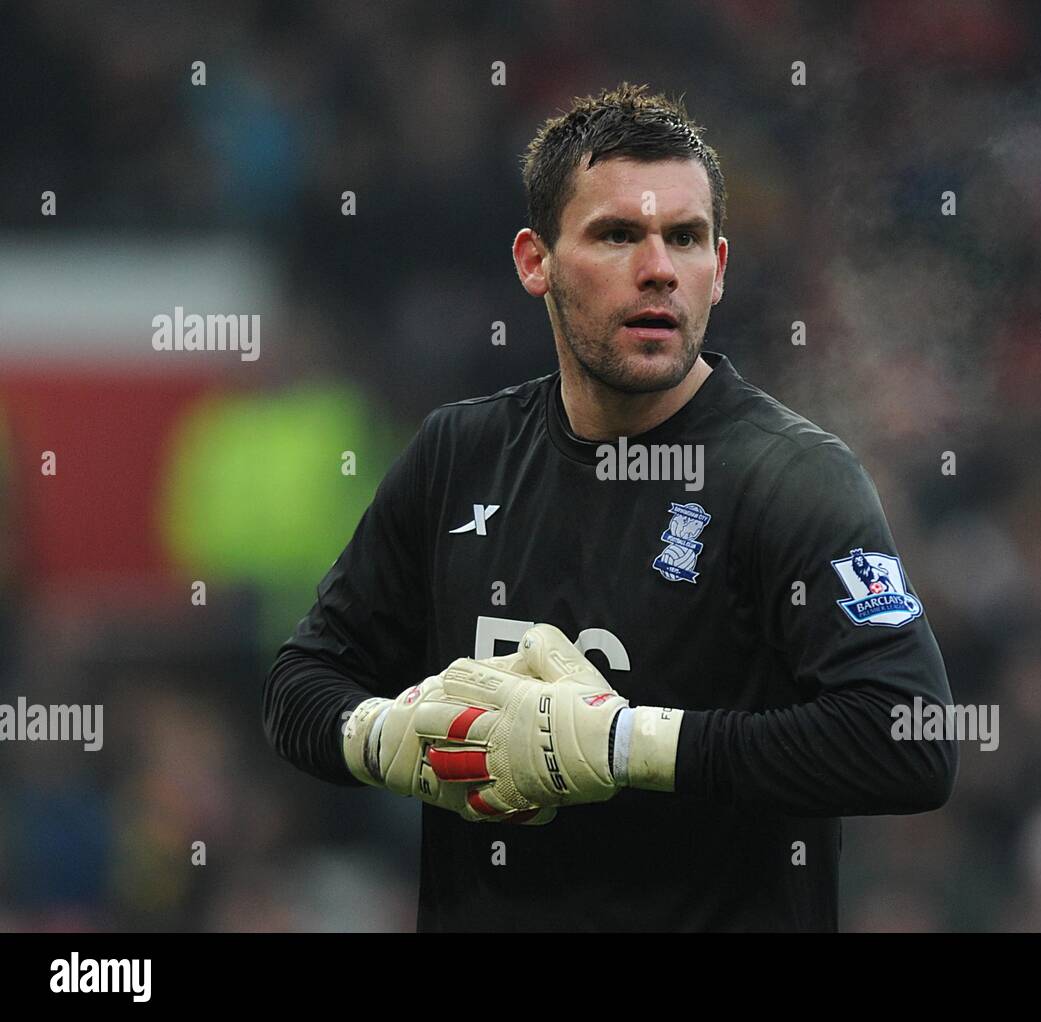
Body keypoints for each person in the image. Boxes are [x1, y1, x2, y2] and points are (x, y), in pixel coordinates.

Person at [263, 82, 957, 932]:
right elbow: (298, 687)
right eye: (618, 234)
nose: (659, 267)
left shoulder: (791, 479)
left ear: (719, 270)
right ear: (535, 261)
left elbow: (908, 741)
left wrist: (625, 745)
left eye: (686, 238)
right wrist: (389, 739)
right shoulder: (459, 456)